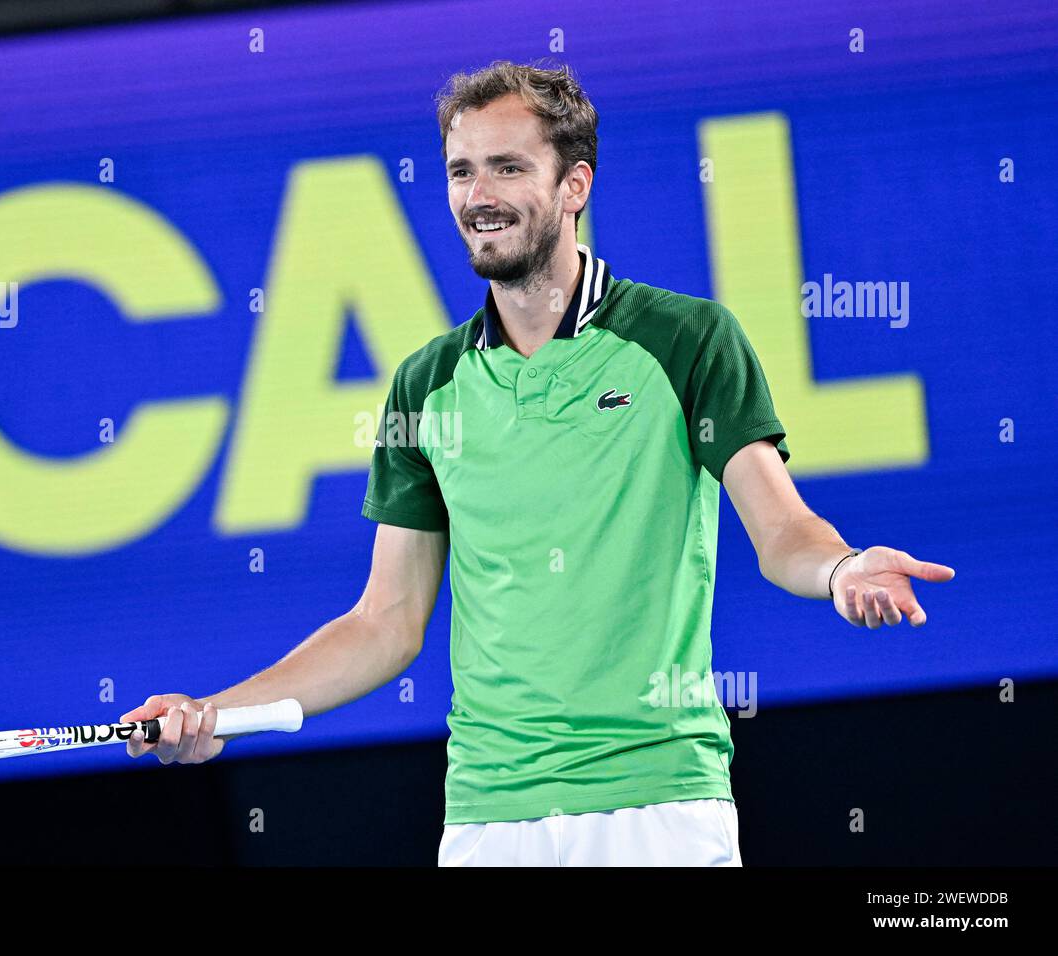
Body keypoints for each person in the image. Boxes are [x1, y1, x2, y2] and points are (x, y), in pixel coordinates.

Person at [121, 60, 955, 866]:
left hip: (657, 810)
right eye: (460, 171)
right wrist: (219, 714)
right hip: (489, 822)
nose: (478, 197)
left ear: (575, 187)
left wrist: (842, 567)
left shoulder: (686, 340)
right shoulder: (427, 382)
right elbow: (384, 622)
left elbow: (782, 532)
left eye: (507, 167)